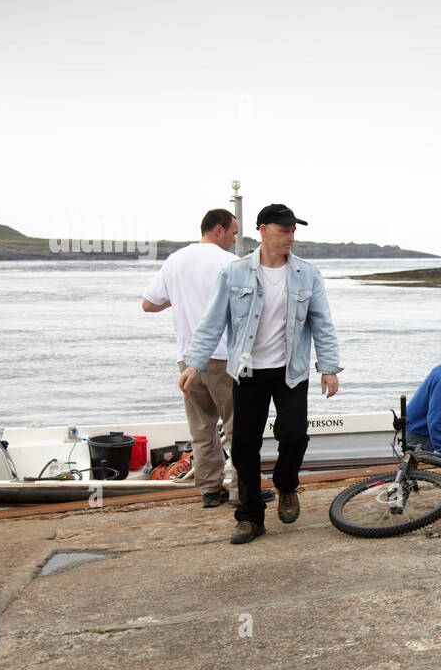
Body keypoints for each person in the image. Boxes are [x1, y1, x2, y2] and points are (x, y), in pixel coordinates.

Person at [180, 203, 342, 544]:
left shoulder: (308, 275)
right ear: (263, 230)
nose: (291, 238)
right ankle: (250, 517)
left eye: (294, 231)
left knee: (294, 435)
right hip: (248, 371)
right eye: (284, 230)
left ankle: (285, 485)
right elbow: (211, 324)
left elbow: (322, 324)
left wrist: (328, 368)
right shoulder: (234, 273)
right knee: (244, 447)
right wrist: (194, 364)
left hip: (290, 371)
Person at [141, 210, 240, 508]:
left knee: (201, 427)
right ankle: (240, 490)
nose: (235, 240)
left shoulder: (175, 260)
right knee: (238, 426)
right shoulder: (231, 263)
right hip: (223, 356)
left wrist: (181, 297)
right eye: (234, 234)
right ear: (219, 230)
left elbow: (149, 304)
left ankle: (210, 490)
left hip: (187, 360)